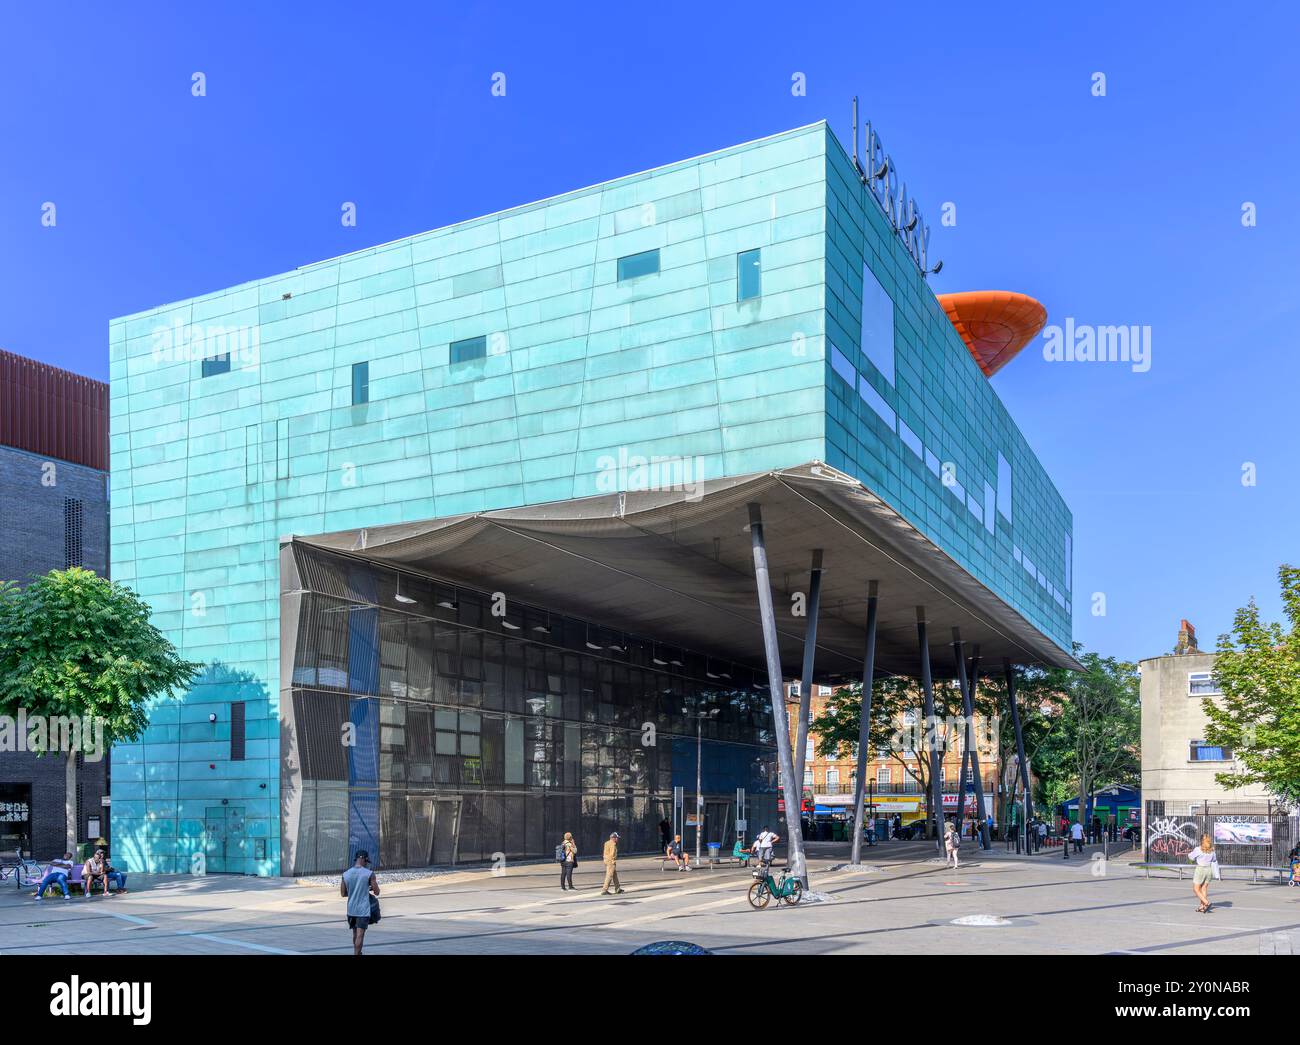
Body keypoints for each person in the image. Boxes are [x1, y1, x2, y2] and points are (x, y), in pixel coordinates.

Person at [340, 849, 379, 955]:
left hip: (351, 909)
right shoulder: (369, 874)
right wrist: (368, 888)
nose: (366, 863)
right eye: (366, 861)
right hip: (363, 909)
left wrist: (354, 891)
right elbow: (377, 892)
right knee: (360, 935)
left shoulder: (345, 874)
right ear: (364, 859)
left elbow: (343, 893)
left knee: (355, 934)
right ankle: (357, 954)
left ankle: (357, 952)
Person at [1187, 833, 1219, 913]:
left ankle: (1206, 903)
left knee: (1196, 889)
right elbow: (1214, 859)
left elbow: (1191, 857)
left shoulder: (1198, 849)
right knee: (1204, 888)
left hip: (1200, 869)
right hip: (1209, 869)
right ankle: (1202, 907)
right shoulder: (1212, 849)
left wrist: (1189, 854)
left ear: (1201, 840)